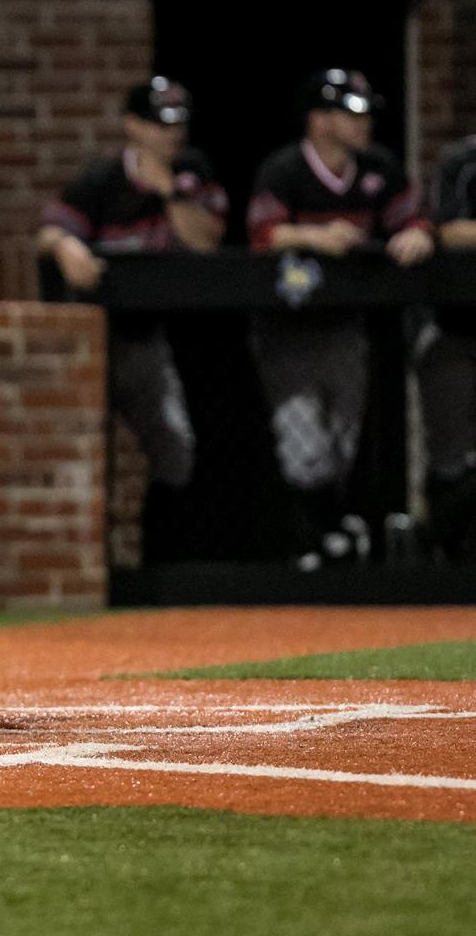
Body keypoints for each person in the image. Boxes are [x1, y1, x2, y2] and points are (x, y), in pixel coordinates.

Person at [246, 68, 433, 569]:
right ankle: (317, 539)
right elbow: (263, 233)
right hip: (287, 328)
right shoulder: (284, 169)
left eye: (365, 112)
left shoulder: (378, 167)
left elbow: (414, 216)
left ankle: (332, 536)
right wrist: (314, 236)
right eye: (352, 113)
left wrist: (417, 232)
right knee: (303, 448)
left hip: (347, 328)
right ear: (319, 119)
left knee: (342, 447)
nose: (364, 122)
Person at [37, 77, 225, 559]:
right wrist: (66, 246)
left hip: (158, 339)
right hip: (97, 341)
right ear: (133, 126)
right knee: (88, 457)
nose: (172, 134)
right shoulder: (102, 180)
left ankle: (159, 564)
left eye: (178, 123)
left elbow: (206, 241)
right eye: (160, 124)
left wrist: (169, 193)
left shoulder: (191, 173)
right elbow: (49, 232)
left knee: (175, 453)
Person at [415, 134, 476, 558]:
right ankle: (444, 553)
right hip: (456, 326)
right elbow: (450, 231)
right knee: (450, 457)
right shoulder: (463, 159)